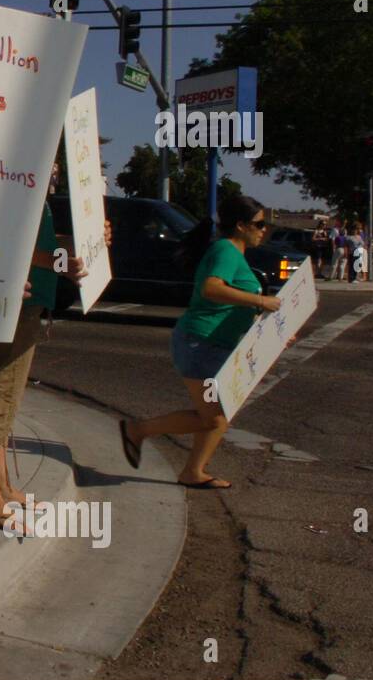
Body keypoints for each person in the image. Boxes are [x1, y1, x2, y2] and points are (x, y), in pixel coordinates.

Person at [119, 196, 285, 490]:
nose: (264, 230)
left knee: (216, 417)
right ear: (241, 225)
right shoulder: (226, 250)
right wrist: (260, 300)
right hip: (201, 346)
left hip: (213, 346)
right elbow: (211, 288)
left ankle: (192, 470)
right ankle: (138, 431)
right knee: (214, 418)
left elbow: (233, 304)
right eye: (259, 224)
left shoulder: (234, 252)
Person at [0, 167, 87, 527]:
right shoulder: (20, 188)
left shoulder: (26, 190)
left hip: (21, 303)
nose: (55, 168)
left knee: (3, 398)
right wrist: (60, 262)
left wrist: (74, 248)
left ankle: (1, 487)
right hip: (16, 303)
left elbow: (40, 243)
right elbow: (10, 244)